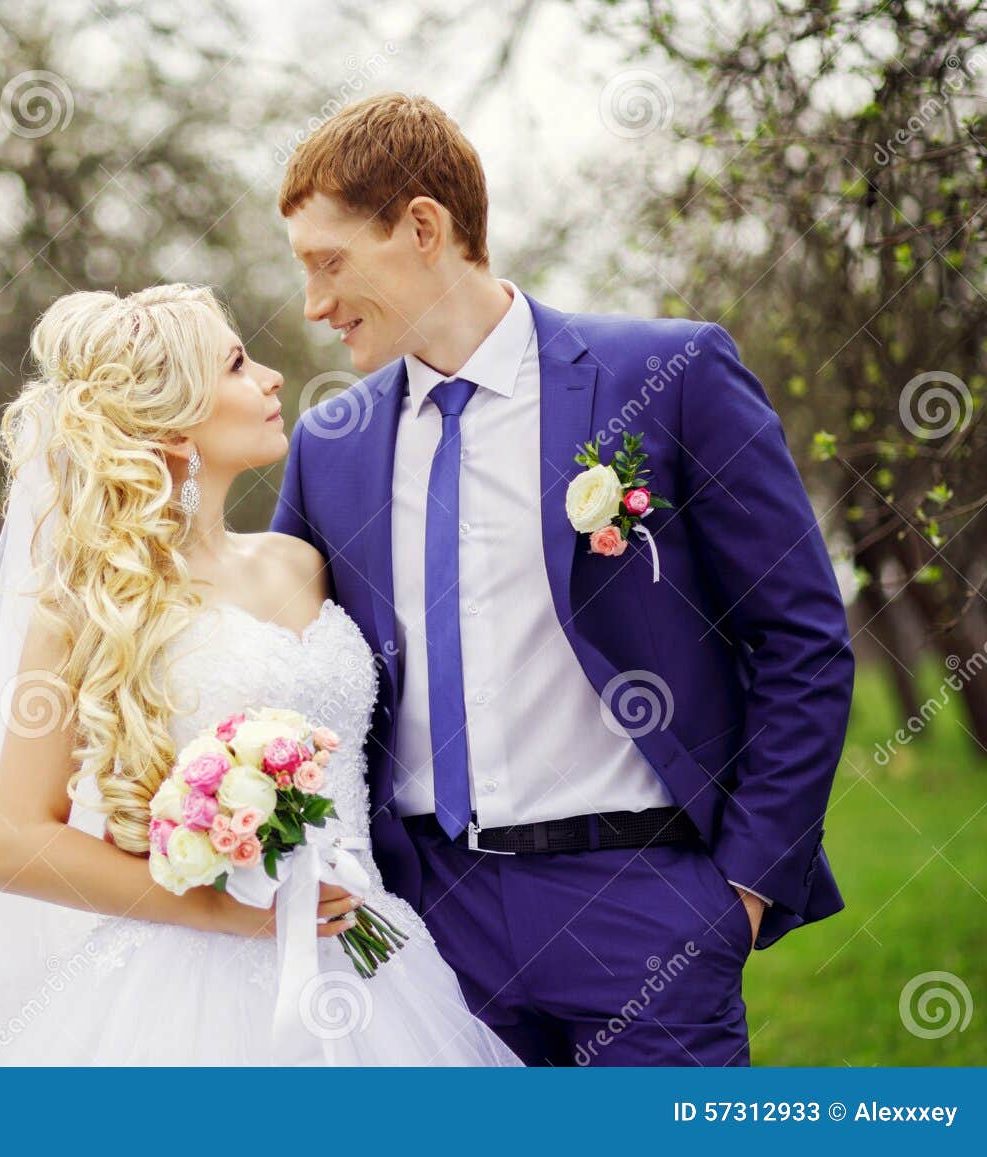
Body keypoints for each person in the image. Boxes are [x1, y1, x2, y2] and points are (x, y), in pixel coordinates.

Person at [271, 92, 854, 1065]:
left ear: (424, 227)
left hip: (642, 902)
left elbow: (801, 640)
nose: (313, 305)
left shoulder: (668, 375)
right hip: (426, 923)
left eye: (329, 263)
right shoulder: (329, 445)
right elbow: (288, 666)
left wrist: (738, 894)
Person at [0, 283, 521, 1066]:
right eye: (235, 364)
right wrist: (234, 912)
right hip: (186, 992)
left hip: (371, 957)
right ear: (175, 424)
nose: (271, 377)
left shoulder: (303, 563)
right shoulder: (87, 607)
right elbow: (17, 843)